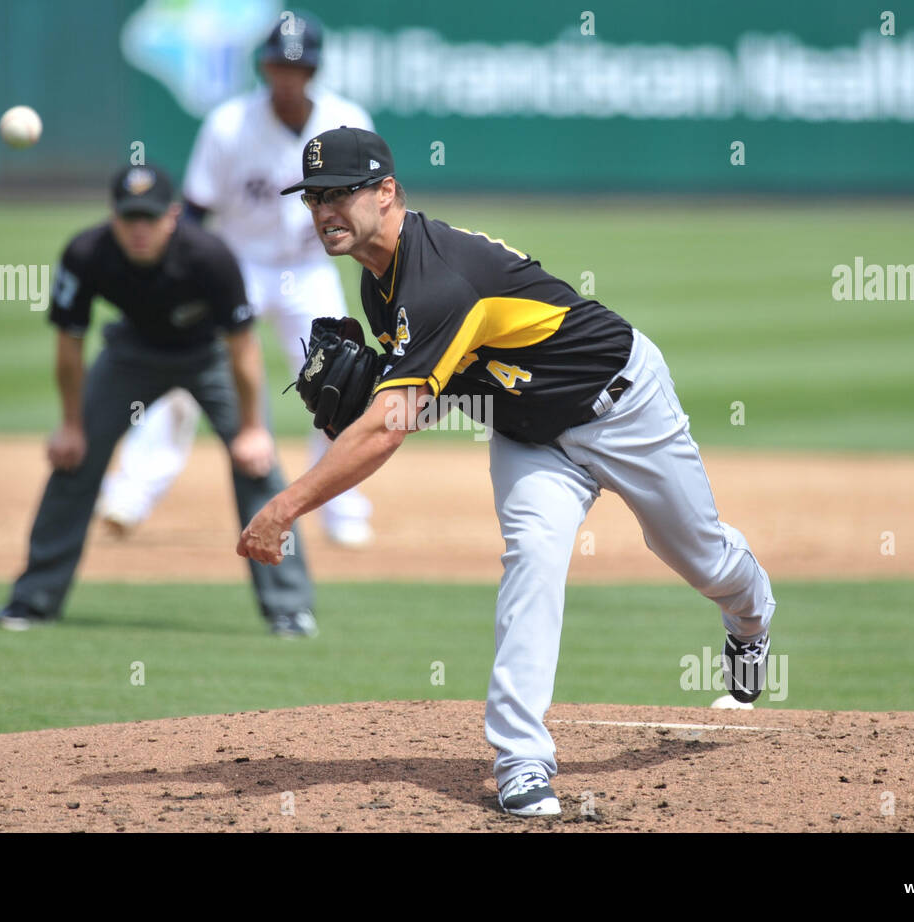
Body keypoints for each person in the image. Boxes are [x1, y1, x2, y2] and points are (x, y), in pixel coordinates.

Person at [236, 128, 777, 815]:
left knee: (700, 558)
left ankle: (751, 620)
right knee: (533, 557)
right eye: (314, 197)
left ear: (386, 192)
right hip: (531, 437)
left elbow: (389, 428)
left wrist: (285, 505)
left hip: (623, 405)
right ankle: (522, 760)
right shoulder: (381, 286)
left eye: (339, 194)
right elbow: (443, 392)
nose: (323, 212)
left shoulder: (438, 281)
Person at [0, 163, 317, 638]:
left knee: (257, 464)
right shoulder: (87, 253)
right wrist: (70, 425)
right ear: (112, 216)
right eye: (129, 218)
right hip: (131, 355)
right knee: (73, 460)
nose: (139, 229)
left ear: (174, 216)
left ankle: (289, 607)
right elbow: (69, 345)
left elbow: (243, 347)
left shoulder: (209, 255)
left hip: (208, 358)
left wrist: (251, 428)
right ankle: (33, 600)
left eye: (150, 217)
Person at [96, 12, 376, 548]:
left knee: (341, 383)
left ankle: (341, 506)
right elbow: (196, 212)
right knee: (185, 379)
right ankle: (128, 496)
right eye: (277, 64)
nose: (287, 76)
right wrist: (184, 278)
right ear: (263, 66)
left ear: (314, 69)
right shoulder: (229, 124)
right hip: (237, 268)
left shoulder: (347, 121)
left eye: (297, 66)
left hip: (309, 268)